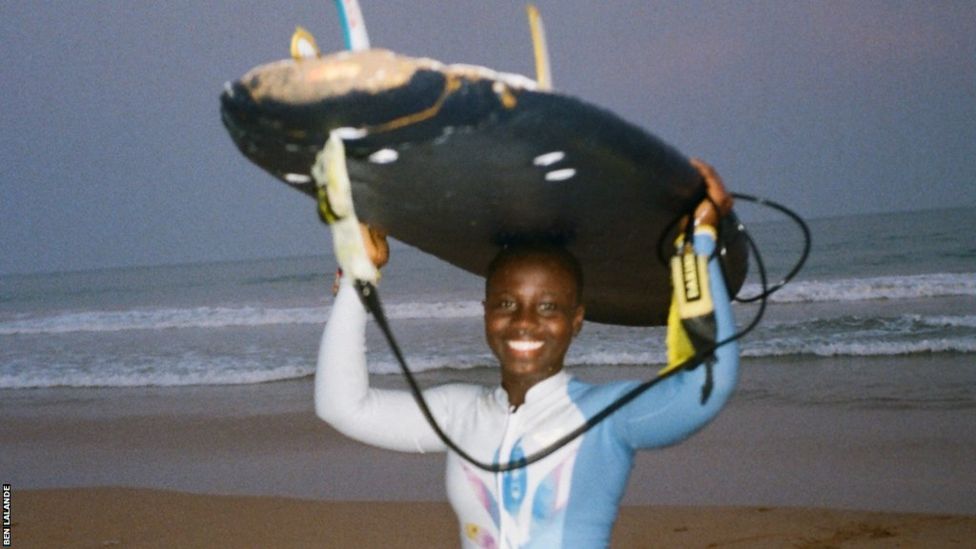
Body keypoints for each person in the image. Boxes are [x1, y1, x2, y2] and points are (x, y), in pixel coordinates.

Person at [315, 159, 738, 548]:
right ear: (486, 314)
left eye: (549, 307)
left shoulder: (604, 419)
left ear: (576, 320)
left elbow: (706, 384)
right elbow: (342, 407)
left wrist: (696, 246)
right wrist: (358, 276)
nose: (524, 321)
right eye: (506, 303)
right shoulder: (459, 413)